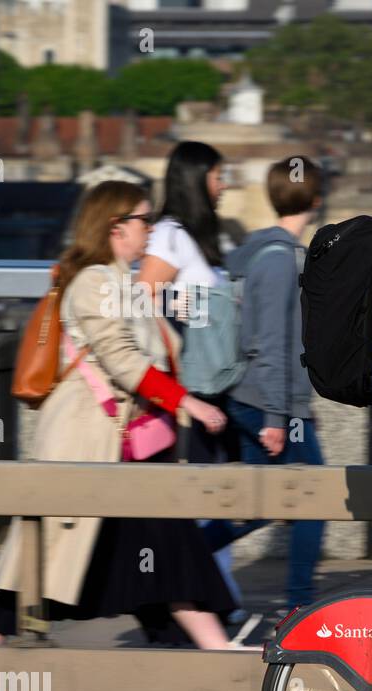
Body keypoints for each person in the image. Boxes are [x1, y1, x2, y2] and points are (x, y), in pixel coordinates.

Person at [0, 180, 238, 649]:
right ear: (117, 227)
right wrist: (188, 403)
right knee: (37, 570)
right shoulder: (94, 282)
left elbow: (157, 354)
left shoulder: (123, 282)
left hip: (127, 446)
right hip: (90, 443)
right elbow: (124, 360)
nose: (151, 229)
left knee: (167, 555)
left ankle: (216, 655)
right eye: (143, 219)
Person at [201, 156, 327, 617]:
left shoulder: (257, 250)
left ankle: (188, 556)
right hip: (270, 404)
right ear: (316, 200)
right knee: (315, 498)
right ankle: (299, 610)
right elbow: (271, 344)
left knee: (257, 504)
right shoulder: (278, 261)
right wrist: (278, 418)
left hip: (258, 399)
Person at [137, 140, 246, 619]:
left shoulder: (196, 238)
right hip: (191, 391)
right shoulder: (170, 235)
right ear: (196, 179)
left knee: (215, 497)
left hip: (213, 385)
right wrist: (184, 317)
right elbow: (142, 300)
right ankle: (200, 599)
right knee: (204, 498)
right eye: (218, 177)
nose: (223, 187)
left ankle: (214, 598)